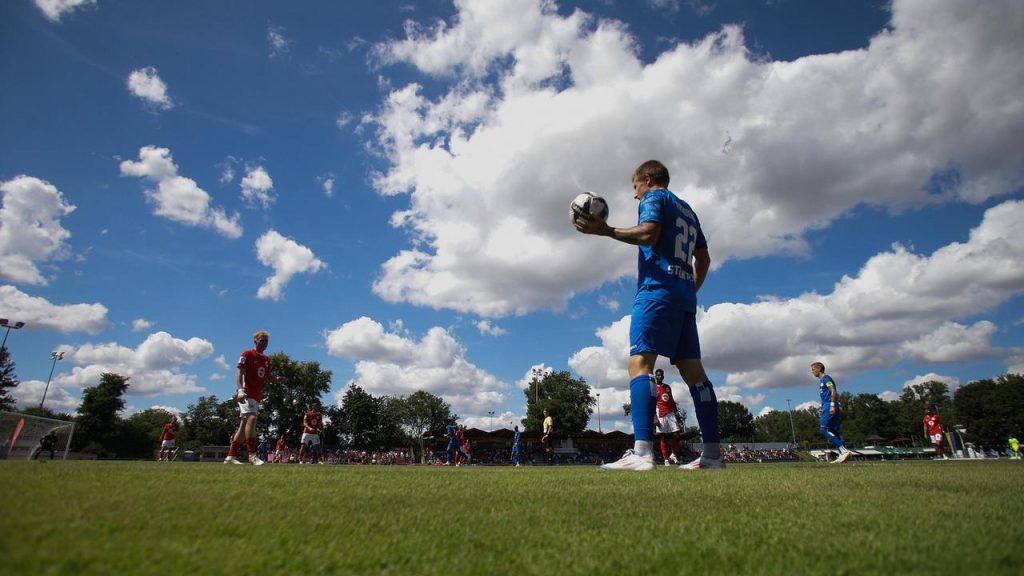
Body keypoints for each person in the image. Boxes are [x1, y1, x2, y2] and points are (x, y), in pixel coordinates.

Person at [575, 159, 722, 471]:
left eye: (635, 187)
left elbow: (649, 233)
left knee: (639, 365)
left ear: (647, 179)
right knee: (695, 374)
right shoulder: (688, 210)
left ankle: (642, 453)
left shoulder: (655, 198)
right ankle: (712, 455)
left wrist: (607, 231)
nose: (634, 195)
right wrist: (691, 288)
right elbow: (704, 257)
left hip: (657, 290)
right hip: (683, 294)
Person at [225, 330, 274, 466]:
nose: (265, 343)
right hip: (246, 393)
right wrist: (240, 390)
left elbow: (268, 377)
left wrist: (278, 379)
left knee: (243, 425)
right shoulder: (247, 354)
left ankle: (231, 456)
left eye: (266, 341)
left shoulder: (266, 360)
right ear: (255, 341)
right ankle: (252, 455)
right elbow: (239, 372)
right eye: (262, 340)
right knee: (252, 418)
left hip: (256, 395)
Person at [811, 362, 854, 464]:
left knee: (823, 429)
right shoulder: (822, 380)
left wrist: (832, 405)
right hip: (829, 405)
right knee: (833, 431)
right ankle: (841, 454)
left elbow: (833, 391)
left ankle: (843, 450)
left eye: (813, 369)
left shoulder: (826, 379)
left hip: (829, 405)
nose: (812, 372)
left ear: (819, 369)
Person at [653, 369, 683, 466]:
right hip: (660, 414)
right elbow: (651, 404)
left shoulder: (667, 387)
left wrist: (677, 413)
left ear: (663, 376)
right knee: (664, 437)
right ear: (655, 376)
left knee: (677, 434)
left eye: (661, 375)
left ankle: (673, 454)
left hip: (670, 413)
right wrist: (654, 417)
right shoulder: (653, 388)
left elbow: (672, 401)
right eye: (658, 375)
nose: (660, 377)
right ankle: (666, 459)